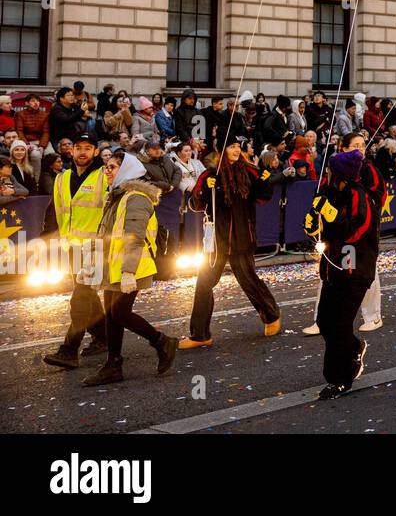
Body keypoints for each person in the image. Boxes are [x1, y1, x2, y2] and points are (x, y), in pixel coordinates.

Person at [81, 154, 179, 386]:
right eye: (106, 167)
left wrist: (128, 272)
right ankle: (113, 365)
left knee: (120, 314)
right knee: (112, 316)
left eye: (113, 167)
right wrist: (91, 265)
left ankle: (162, 341)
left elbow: (134, 237)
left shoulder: (135, 198)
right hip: (113, 267)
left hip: (131, 267)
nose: (107, 171)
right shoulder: (117, 197)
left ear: (127, 170)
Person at [180, 142, 282, 348]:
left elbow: (264, 198)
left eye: (238, 147)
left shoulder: (250, 171)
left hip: (242, 237)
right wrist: (204, 192)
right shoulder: (209, 175)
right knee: (204, 283)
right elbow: (195, 205)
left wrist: (265, 181)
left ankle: (271, 316)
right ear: (222, 150)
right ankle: (200, 335)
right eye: (231, 146)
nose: (236, 151)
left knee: (248, 279)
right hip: (216, 241)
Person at [304, 132, 383, 399]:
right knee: (325, 321)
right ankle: (353, 348)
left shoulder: (359, 196)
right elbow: (323, 226)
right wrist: (313, 223)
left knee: (339, 324)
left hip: (354, 269)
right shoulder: (330, 193)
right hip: (332, 267)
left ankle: (340, 378)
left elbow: (354, 231)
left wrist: (329, 213)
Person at [42, 133, 110, 369]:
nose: (82, 152)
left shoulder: (104, 176)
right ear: (71, 151)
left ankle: (69, 349)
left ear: (95, 152)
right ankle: (104, 338)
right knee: (88, 296)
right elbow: (55, 210)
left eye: (87, 148)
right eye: (78, 147)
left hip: (96, 246)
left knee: (80, 297)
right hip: (72, 247)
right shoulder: (63, 177)